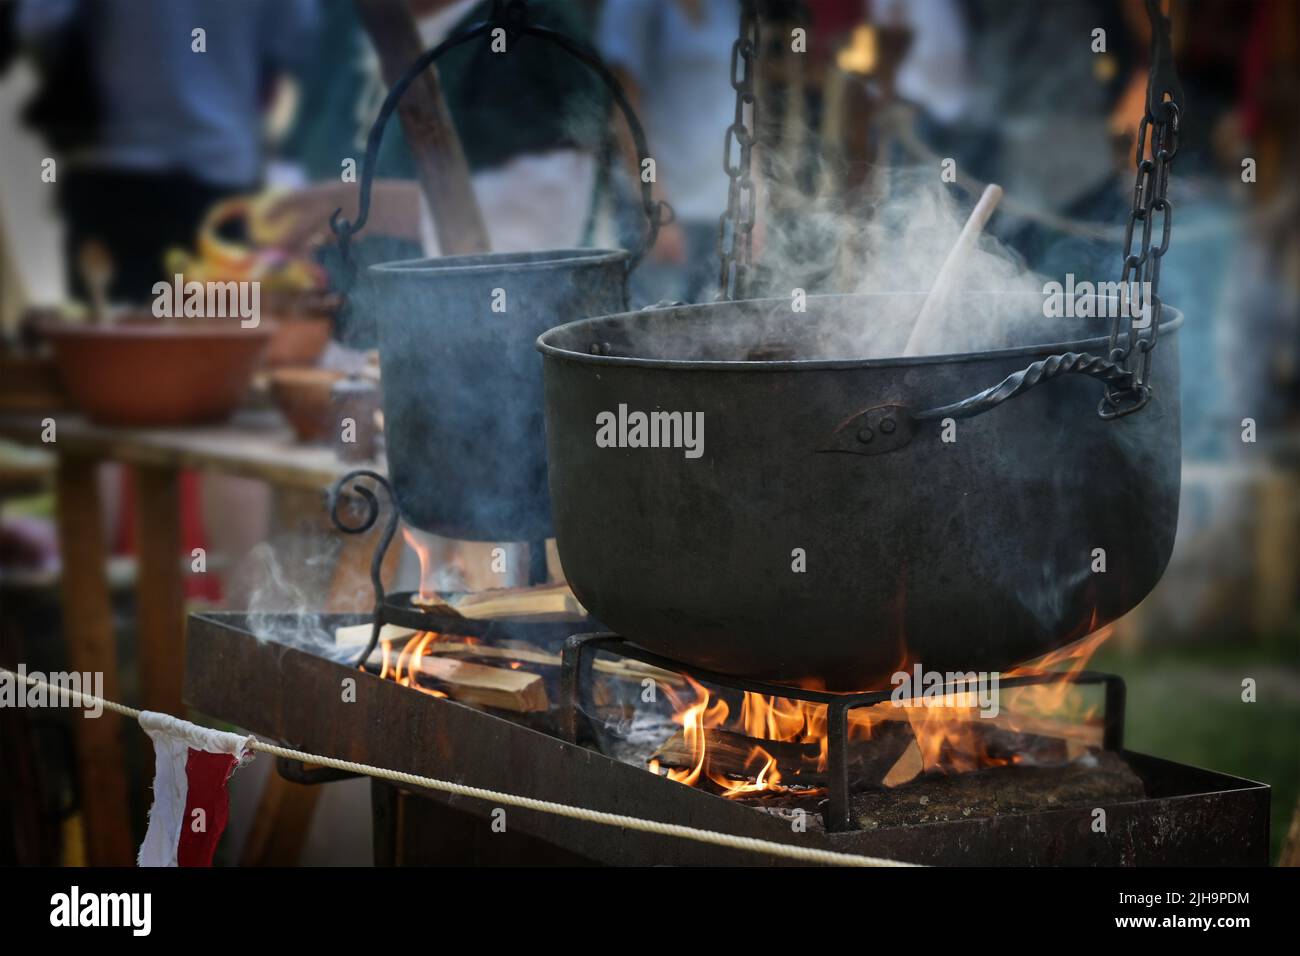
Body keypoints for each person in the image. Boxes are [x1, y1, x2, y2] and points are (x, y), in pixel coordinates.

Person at [15, 0, 318, 302]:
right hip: (224, 175)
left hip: (112, 175)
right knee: (220, 337)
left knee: (109, 336)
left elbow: (40, 22)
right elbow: (291, 41)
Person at [597, 0, 741, 304]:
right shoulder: (631, 8)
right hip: (660, 204)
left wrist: (755, 200)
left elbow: (741, 105)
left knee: (718, 324)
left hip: (720, 202)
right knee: (657, 326)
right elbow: (625, 112)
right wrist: (657, 207)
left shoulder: (725, 6)